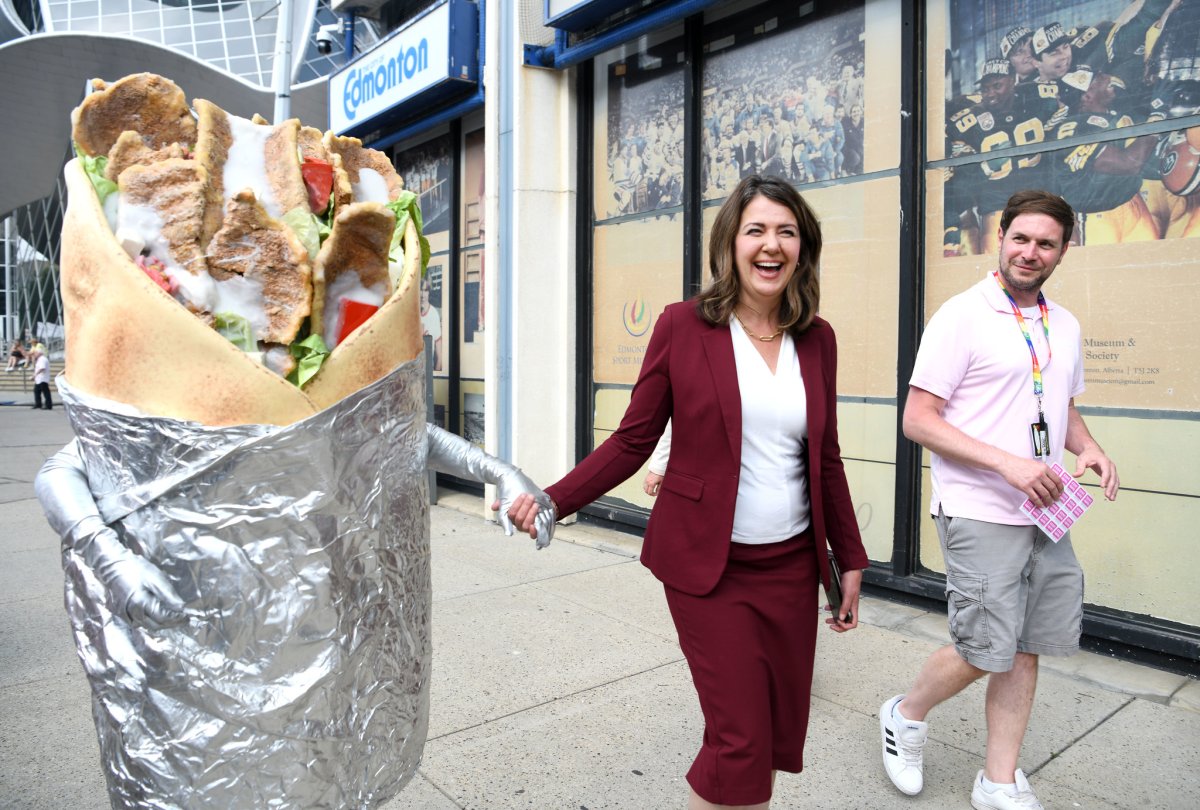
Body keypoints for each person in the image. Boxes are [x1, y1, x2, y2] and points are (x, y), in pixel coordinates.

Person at [506, 175, 870, 809]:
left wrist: (851, 560)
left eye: (786, 232)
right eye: (756, 229)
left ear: (803, 249)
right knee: (742, 742)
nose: (771, 245)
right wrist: (552, 499)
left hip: (789, 568)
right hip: (711, 570)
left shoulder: (818, 339)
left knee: (767, 733)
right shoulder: (684, 327)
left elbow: (826, 458)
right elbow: (632, 441)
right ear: (730, 243)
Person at [878, 190, 1119, 810]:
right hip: (980, 509)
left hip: (1046, 509)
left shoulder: (1063, 324)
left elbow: (1060, 405)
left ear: (1065, 250)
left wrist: (1087, 446)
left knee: (1028, 646)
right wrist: (1007, 463)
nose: (1030, 252)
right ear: (999, 237)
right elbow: (918, 420)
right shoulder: (961, 315)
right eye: (1020, 238)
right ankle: (905, 714)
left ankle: (1000, 781)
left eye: (1045, 243)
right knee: (983, 648)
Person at [420, 274, 443, 371]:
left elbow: (438, 343)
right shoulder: (411, 312)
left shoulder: (433, 314)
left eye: (425, 290)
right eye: (420, 290)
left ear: (429, 292)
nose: (422, 294)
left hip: (428, 365)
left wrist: (438, 368)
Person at [31, 345, 53, 410]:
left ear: (39, 353)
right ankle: (38, 404)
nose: (34, 354)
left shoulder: (43, 359)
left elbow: (42, 368)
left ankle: (48, 405)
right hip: (39, 379)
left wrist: (34, 375)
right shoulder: (39, 359)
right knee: (36, 391)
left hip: (43, 379)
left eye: (35, 353)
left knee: (46, 392)